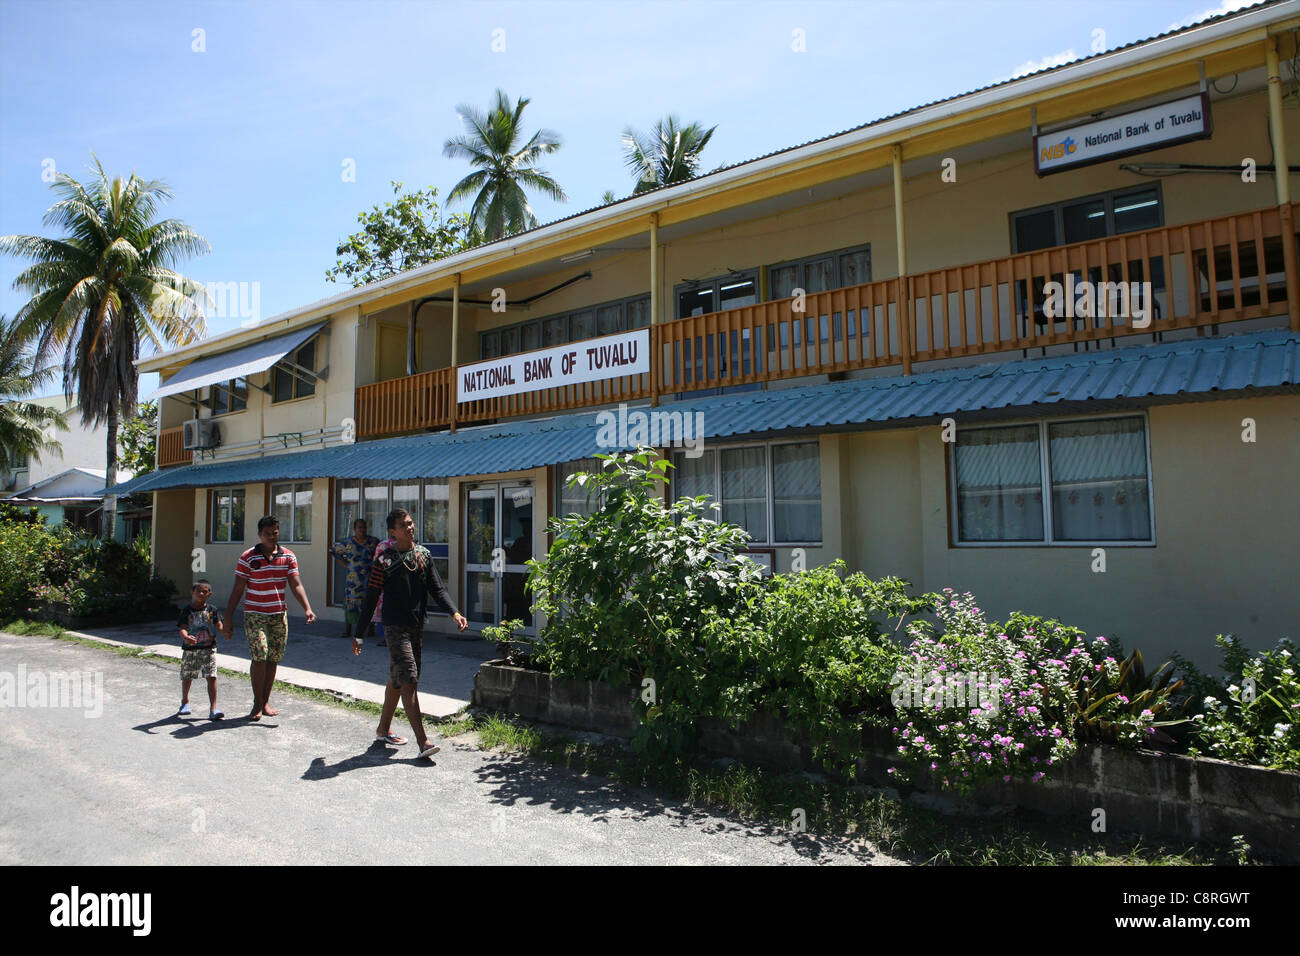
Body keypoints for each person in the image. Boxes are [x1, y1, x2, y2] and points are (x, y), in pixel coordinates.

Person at [354, 507, 467, 758]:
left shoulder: (423, 556)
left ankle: (383, 729)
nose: (410, 527)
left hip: (416, 626)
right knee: (409, 681)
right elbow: (371, 597)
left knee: (398, 679)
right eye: (404, 525)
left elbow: (437, 589)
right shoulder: (384, 560)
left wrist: (455, 613)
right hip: (394, 627)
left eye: (411, 523)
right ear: (392, 532)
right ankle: (423, 742)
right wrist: (360, 633)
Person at [220, 514, 316, 721]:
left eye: (275, 533)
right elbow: (238, 589)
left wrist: (307, 608)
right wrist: (227, 618)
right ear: (259, 535)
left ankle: (265, 701)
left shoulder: (288, 556)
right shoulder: (248, 557)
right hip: (255, 614)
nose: (272, 537)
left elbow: (295, 584)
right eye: (267, 534)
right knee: (260, 655)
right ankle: (256, 703)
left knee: (273, 658)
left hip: (278, 615)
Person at [177, 580, 229, 719]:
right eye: (198, 591)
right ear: (192, 592)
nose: (201, 593)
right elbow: (182, 627)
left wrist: (225, 632)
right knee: (188, 676)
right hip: (190, 650)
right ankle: (185, 702)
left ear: (209, 594)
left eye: (204, 591)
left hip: (209, 649)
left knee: (211, 677)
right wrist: (186, 637)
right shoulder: (187, 610)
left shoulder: (212, 610)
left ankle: (213, 709)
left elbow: (219, 625)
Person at [329, 519, 380, 640]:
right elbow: (335, 552)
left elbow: (380, 554)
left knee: (369, 603)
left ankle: (371, 629)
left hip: (369, 579)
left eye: (364, 527)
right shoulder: (348, 542)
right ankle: (348, 630)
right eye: (360, 527)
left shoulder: (373, 542)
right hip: (353, 580)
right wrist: (347, 565)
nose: (362, 530)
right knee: (351, 604)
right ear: (355, 529)